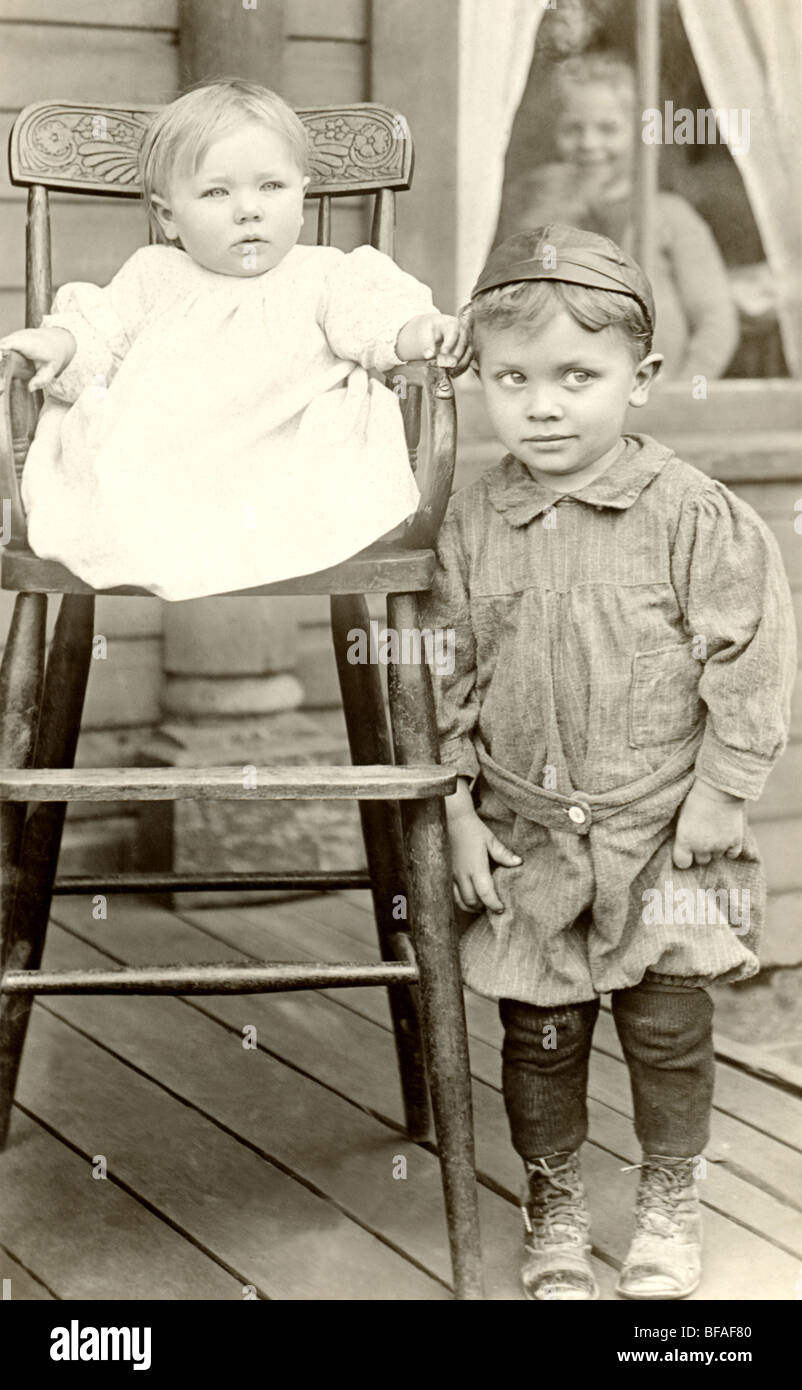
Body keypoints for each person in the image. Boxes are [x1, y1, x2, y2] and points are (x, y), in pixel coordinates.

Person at [422, 224, 795, 1300]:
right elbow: (440, 671)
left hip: (666, 829)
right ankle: (554, 1200)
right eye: (512, 379)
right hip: (527, 829)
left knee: (669, 1023)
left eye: (576, 377)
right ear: (481, 383)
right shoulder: (473, 523)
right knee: (538, 1030)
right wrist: (453, 805)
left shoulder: (689, 514)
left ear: (641, 378)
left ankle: (670, 1202)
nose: (543, 405)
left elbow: (751, 653)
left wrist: (723, 794)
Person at [0, 79, 468, 601]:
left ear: (302, 196)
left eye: (271, 187)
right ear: (168, 216)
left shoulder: (325, 275)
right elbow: (101, 340)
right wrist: (62, 344)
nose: (248, 209)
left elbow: (377, 318)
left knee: (314, 475)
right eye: (216, 192)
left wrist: (418, 333)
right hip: (172, 473)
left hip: (285, 472)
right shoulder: (153, 275)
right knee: (113, 467)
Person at [495, 52, 740, 382]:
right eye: (573, 129)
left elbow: (716, 322)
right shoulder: (539, 212)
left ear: (639, 135)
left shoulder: (670, 217)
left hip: (658, 398)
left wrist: (685, 393)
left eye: (608, 129)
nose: (589, 143)